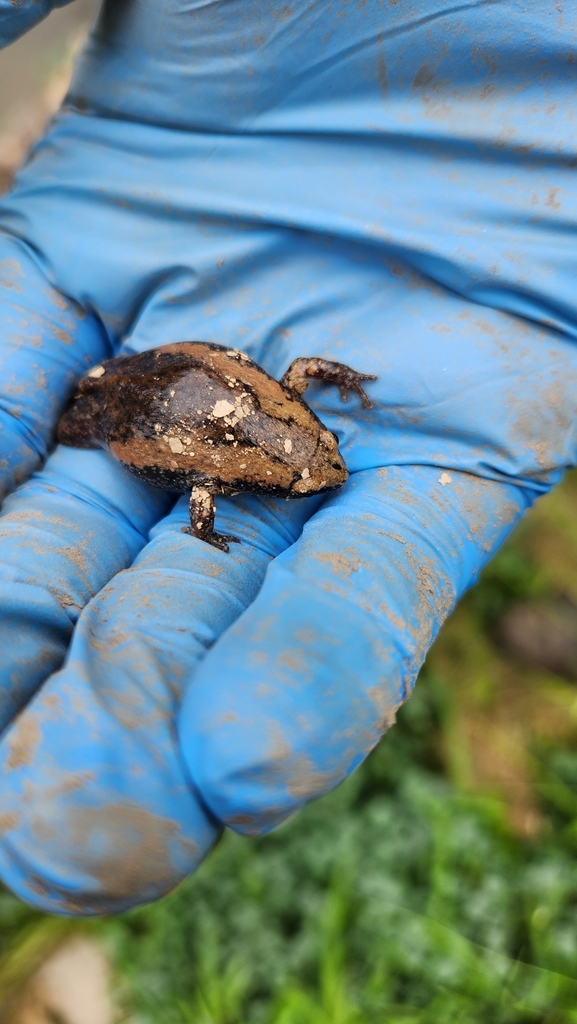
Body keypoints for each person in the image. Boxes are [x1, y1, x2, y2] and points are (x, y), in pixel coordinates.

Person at [0, 0, 574, 915]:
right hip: (165, 386)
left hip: (200, 380)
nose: (324, 470)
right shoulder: (236, 458)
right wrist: (214, 527)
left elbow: (298, 376)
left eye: (318, 463)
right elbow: (202, 481)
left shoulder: (291, 418)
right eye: (314, 472)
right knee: (97, 421)